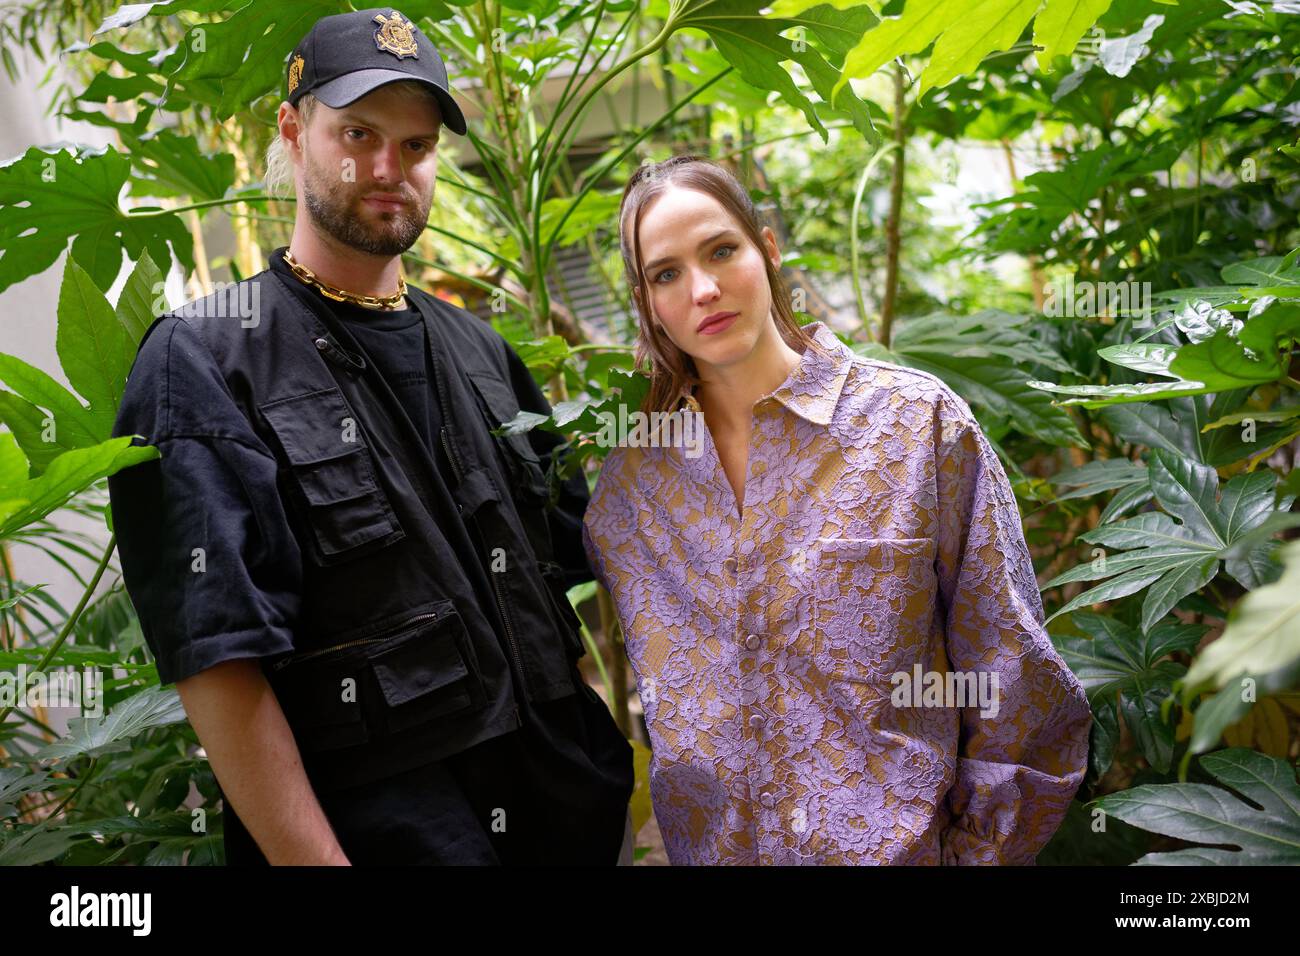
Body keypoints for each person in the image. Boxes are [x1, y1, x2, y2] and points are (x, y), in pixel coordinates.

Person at [107, 7, 633, 865]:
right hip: (387, 835)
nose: (389, 167)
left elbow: (576, 563)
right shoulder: (205, 357)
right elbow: (215, 659)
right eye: (357, 132)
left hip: (564, 812)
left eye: (417, 146)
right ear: (292, 129)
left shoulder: (480, 347)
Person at [581, 154, 1092, 865]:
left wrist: (977, 856)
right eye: (667, 273)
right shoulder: (629, 493)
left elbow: (1015, 682)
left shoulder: (917, 429)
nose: (702, 290)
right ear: (646, 299)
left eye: (721, 250)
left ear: (767, 247)